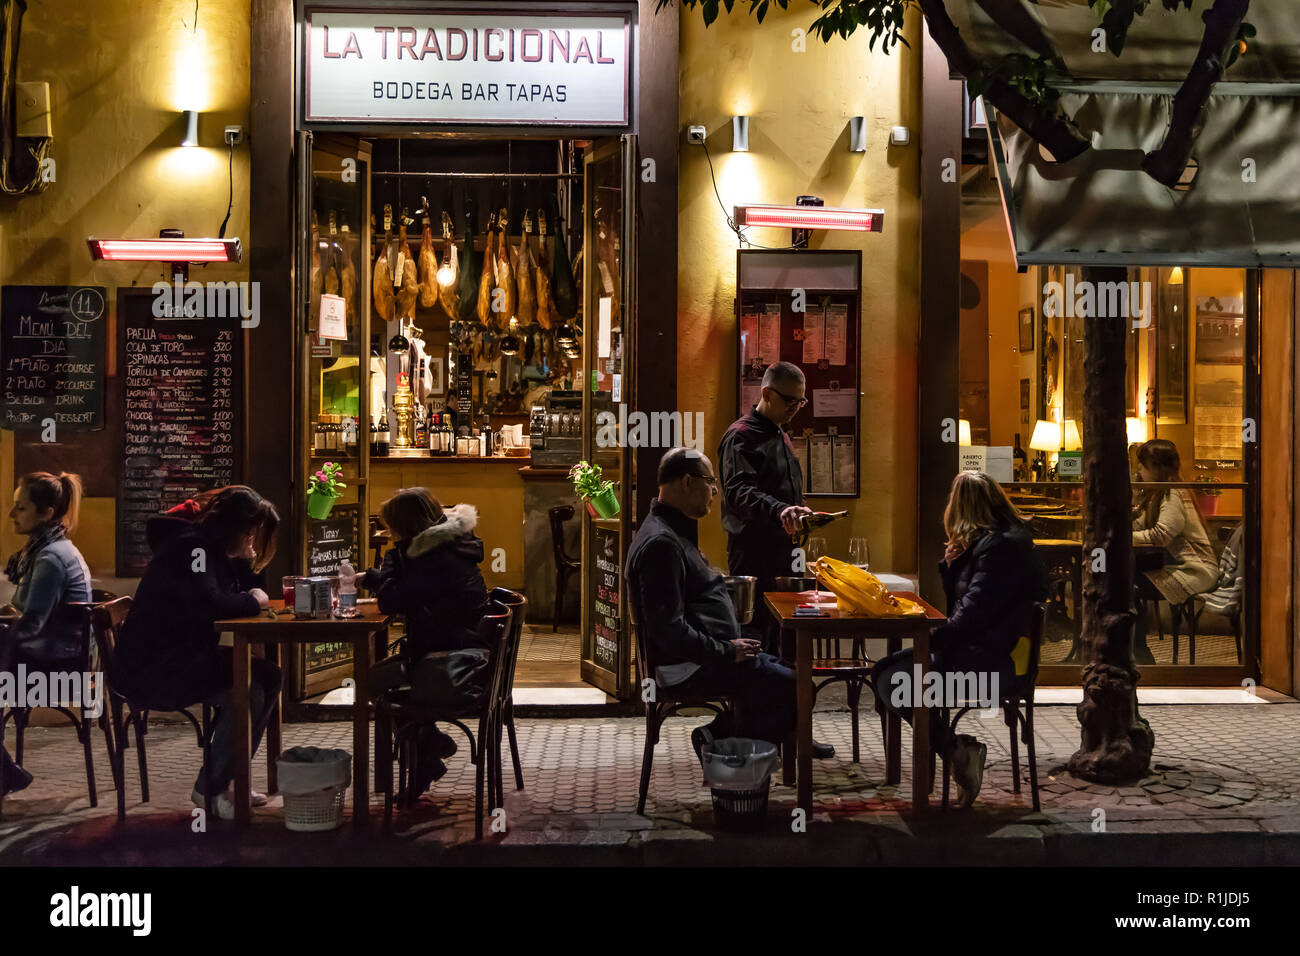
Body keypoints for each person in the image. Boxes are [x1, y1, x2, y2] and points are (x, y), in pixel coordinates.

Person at [625, 447, 833, 761]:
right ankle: (724, 747)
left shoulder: (669, 530)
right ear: (686, 483)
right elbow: (667, 631)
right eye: (710, 481)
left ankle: (724, 741)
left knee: (787, 671)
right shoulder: (661, 544)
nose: (715, 490)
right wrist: (726, 650)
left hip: (701, 655)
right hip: (688, 667)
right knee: (795, 686)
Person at [872, 471, 1048, 807]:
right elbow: (967, 610)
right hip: (985, 655)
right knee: (887, 672)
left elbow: (970, 615)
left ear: (962, 510)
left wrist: (931, 636)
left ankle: (957, 752)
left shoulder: (1000, 550)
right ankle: (957, 752)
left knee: (894, 679)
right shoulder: (997, 543)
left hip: (993, 671)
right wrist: (951, 569)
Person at [116, 487, 280, 820]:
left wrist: (247, 568)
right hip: (153, 667)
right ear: (235, 527)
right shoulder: (193, 548)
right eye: (250, 533)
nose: (253, 541)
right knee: (247, 685)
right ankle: (213, 788)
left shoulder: (207, 549)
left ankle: (230, 775)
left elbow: (221, 595)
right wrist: (255, 600)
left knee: (267, 675)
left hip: (178, 656)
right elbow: (210, 603)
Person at [363, 488, 490, 792]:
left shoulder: (434, 559)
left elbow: (392, 599)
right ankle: (427, 750)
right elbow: (401, 590)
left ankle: (428, 746)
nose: (389, 533)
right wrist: (385, 571)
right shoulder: (450, 547)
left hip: (453, 665)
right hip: (455, 652)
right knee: (384, 678)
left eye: (392, 527)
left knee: (373, 681)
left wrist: (380, 573)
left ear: (407, 528)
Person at [0, 473, 93, 798]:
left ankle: (6, 774)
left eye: (20, 507)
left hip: (54, 670)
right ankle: (6, 773)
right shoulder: (51, 549)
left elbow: (30, 626)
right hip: (54, 656)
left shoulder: (51, 559)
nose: (12, 514)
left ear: (47, 512)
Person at [718, 362, 813, 654]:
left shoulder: (780, 433)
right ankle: (755, 697)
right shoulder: (741, 436)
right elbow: (738, 491)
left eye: (801, 401)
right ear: (767, 393)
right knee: (756, 633)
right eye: (790, 400)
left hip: (785, 551)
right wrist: (780, 510)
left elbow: (782, 488)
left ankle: (782, 692)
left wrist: (802, 510)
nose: (796, 408)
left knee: (784, 634)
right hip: (753, 553)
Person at [1131, 439, 1218, 665]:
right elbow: (1140, 526)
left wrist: (1123, 537)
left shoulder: (1172, 494)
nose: (1139, 471)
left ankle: (1139, 652)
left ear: (1156, 467)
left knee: (1128, 585)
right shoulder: (1160, 494)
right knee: (1126, 579)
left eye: (1142, 466)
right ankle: (1137, 650)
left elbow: (1161, 534)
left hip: (1196, 570)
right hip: (1183, 567)